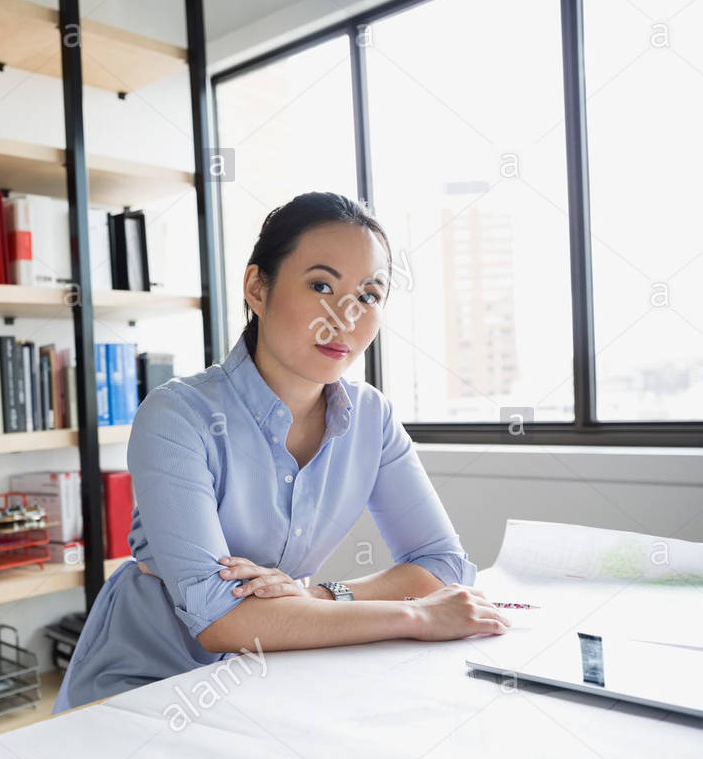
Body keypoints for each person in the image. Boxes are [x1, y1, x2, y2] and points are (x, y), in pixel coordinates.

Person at [53, 191, 509, 713]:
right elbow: (222, 622)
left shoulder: (371, 418)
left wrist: (315, 597)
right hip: (145, 685)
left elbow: (443, 565)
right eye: (321, 285)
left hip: (280, 672)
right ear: (257, 288)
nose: (345, 316)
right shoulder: (177, 415)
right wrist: (419, 616)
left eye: (368, 295)